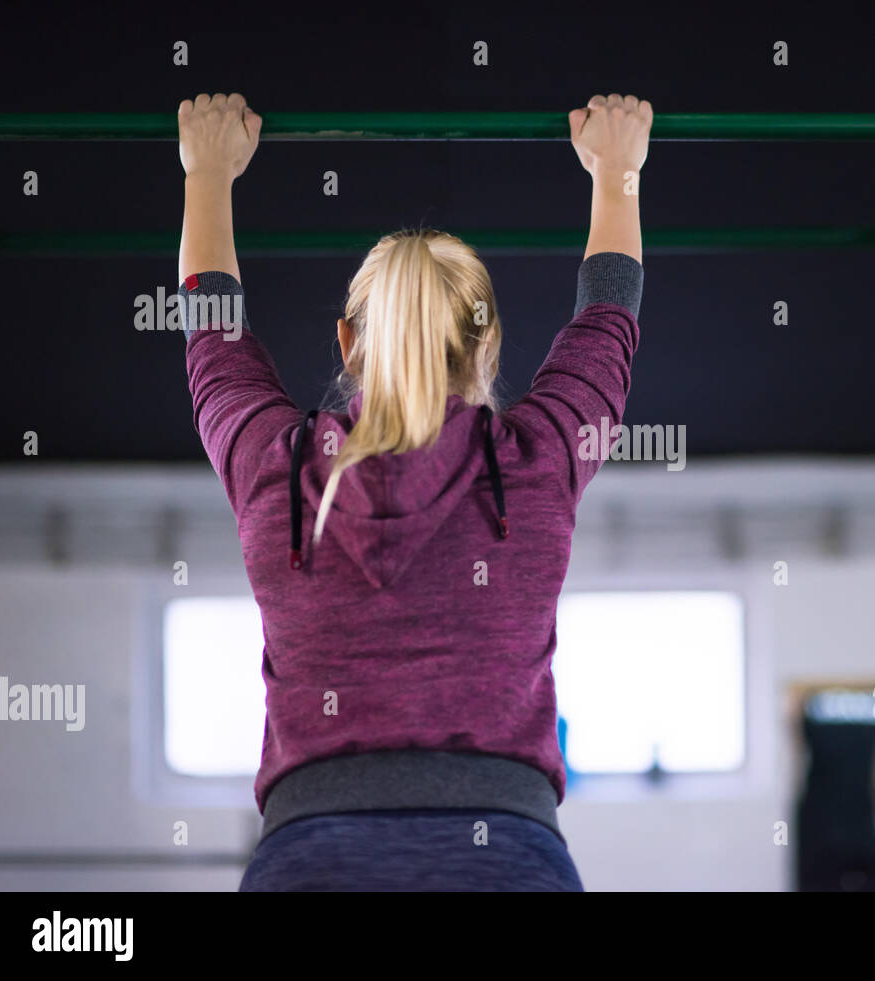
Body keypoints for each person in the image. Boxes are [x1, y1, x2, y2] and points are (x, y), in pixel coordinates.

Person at [174, 91, 653, 890]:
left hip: (314, 858)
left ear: (346, 344)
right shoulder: (536, 465)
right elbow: (608, 324)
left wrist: (207, 172)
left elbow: (209, 338)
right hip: (505, 855)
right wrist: (617, 172)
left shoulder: (279, 471)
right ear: (487, 340)